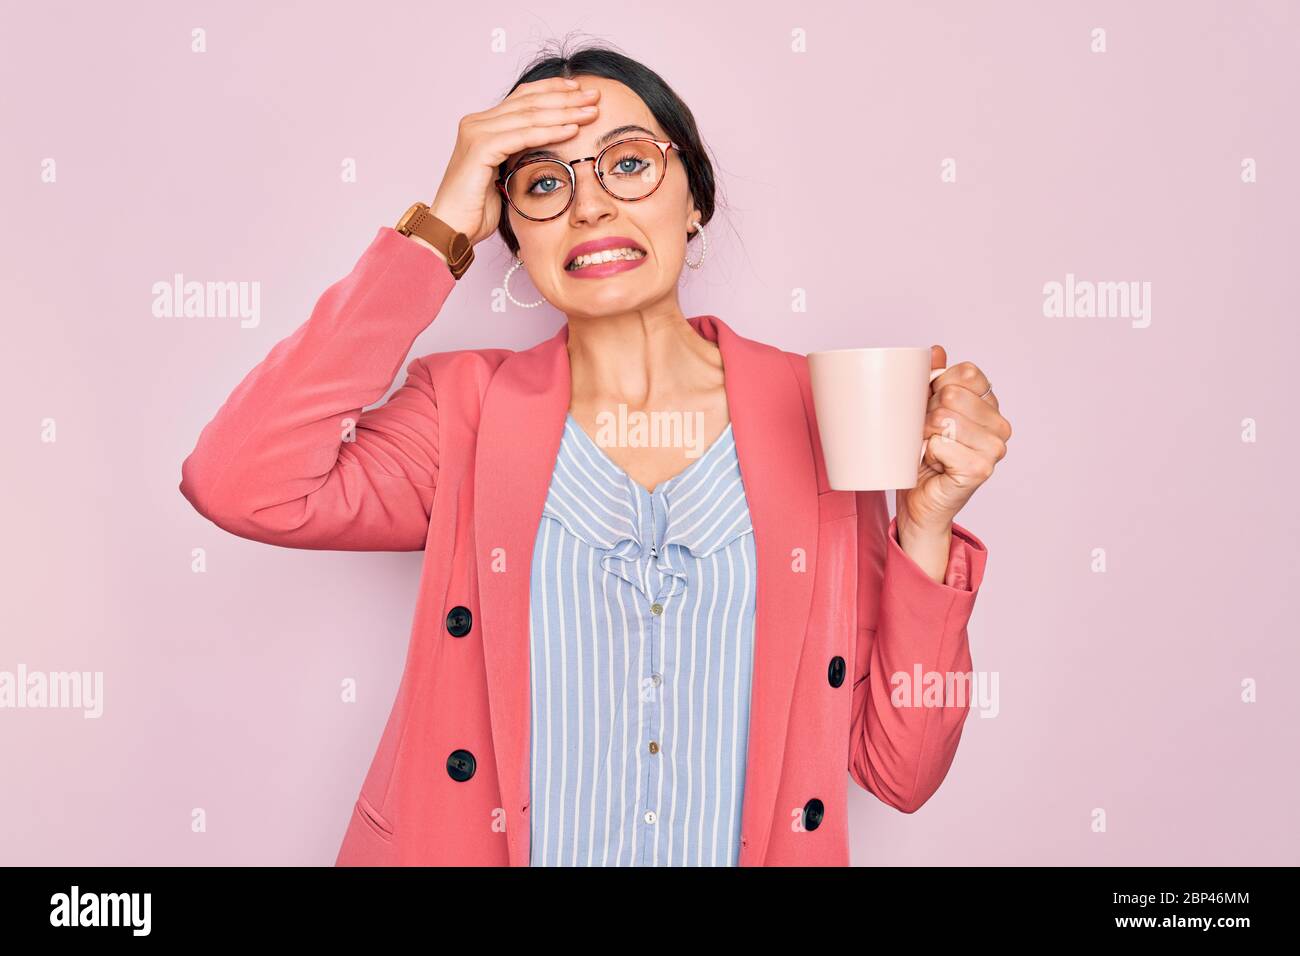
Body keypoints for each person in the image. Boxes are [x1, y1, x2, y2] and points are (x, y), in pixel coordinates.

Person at [179, 43, 1011, 867]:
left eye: (628, 164)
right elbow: (238, 482)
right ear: (508, 233)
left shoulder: (818, 411)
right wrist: (437, 230)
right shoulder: (461, 413)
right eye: (543, 184)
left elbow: (900, 771)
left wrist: (926, 525)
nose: (589, 208)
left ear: (695, 200)